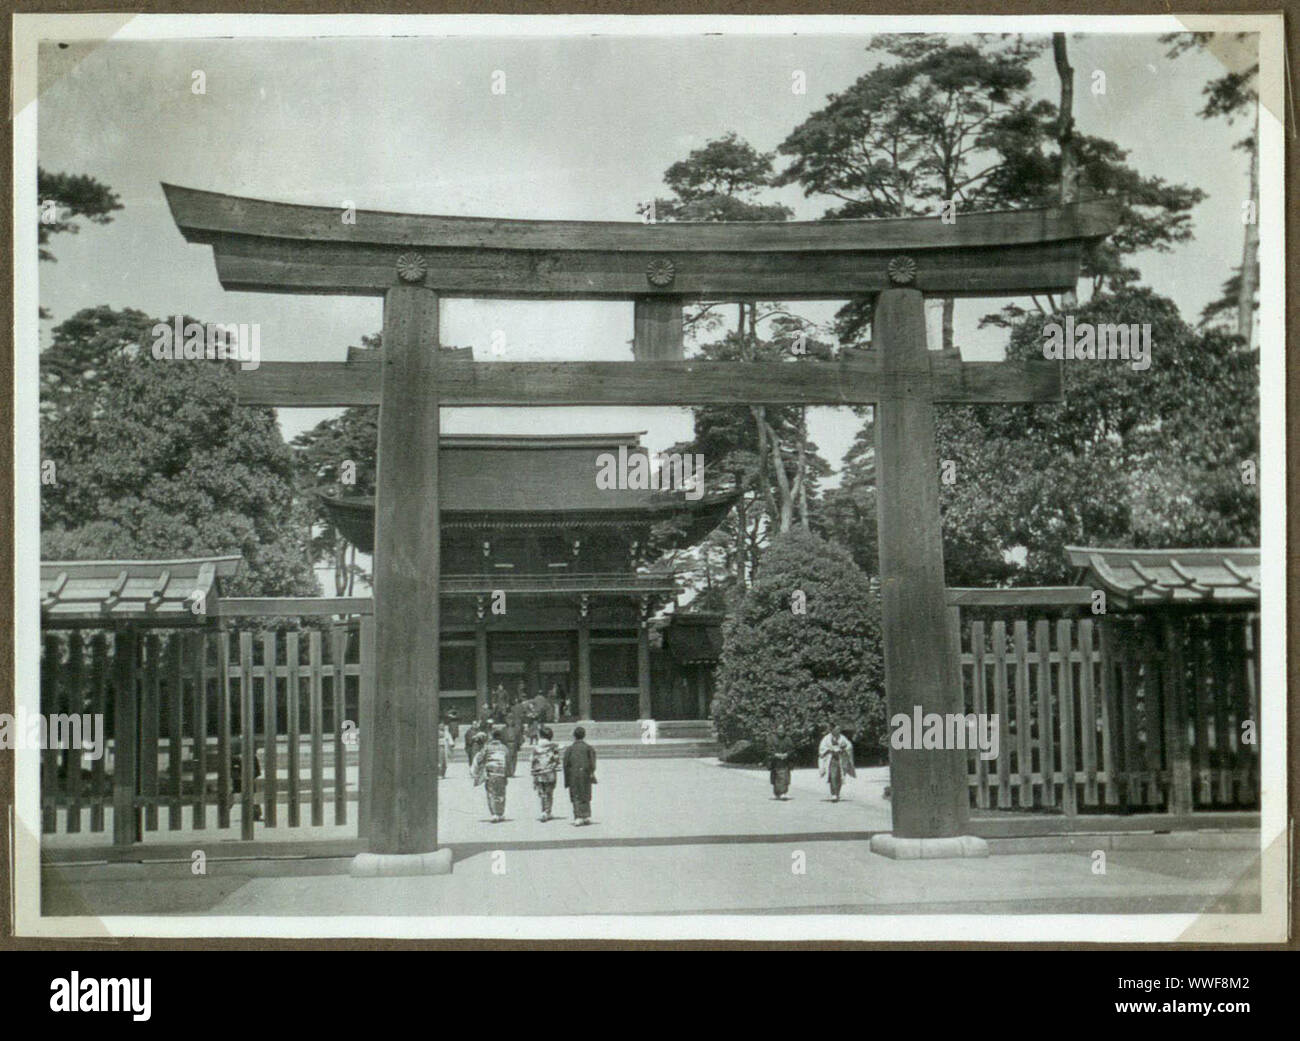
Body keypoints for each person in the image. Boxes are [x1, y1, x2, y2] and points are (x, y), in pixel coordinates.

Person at [471, 727, 510, 822]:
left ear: (492, 737)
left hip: (490, 773)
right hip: (501, 773)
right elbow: (508, 761)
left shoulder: (487, 747)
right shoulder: (505, 748)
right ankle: (500, 813)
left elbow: (480, 758)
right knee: (501, 793)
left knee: (491, 793)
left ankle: (494, 814)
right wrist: (508, 773)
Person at [562, 725, 597, 825]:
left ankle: (578, 816)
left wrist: (567, 778)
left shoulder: (570, 749)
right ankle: (586, 815)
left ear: (574, 736)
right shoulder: (588, 748)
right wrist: (591, 772)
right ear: (584, 735)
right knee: (585, 794)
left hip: (573, 774)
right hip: (585, 774)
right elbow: (592, 763)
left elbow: (565, 764)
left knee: (576, 795)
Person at [531, 725, 562, 821]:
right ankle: (548, 811)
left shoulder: (536, 747)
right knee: (549, 792)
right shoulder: (554, 746)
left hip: (539, 772)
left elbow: (532, 760)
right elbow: (557, 759)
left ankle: (543, 810)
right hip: (550, 772)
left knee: (542, 792)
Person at [818, 724, 855, 802]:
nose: (838, 731)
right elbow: (822, 748)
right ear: (832, 730)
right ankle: (833, 794)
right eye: (836, 729)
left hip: (841, 759)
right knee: (833, 776)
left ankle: (837, 793)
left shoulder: (842, 738)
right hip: (831, 760)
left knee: (840, 777)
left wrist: (843, 748)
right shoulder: (826, 738)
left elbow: (849, 746)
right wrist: (830, 750)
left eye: (839, 729)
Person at [768, 726, 794, 800]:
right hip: (775, 761)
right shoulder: (771, 739)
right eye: (779, 729)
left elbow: (792, 749)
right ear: (776, 730)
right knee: (776, 776)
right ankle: (777, 793)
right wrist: (776, 754)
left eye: (782, 729)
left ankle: (783, 792)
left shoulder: (788, 739)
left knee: (785, 776)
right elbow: (768, 749)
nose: (781, 731)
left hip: (785, 761)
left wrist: (786, 754)